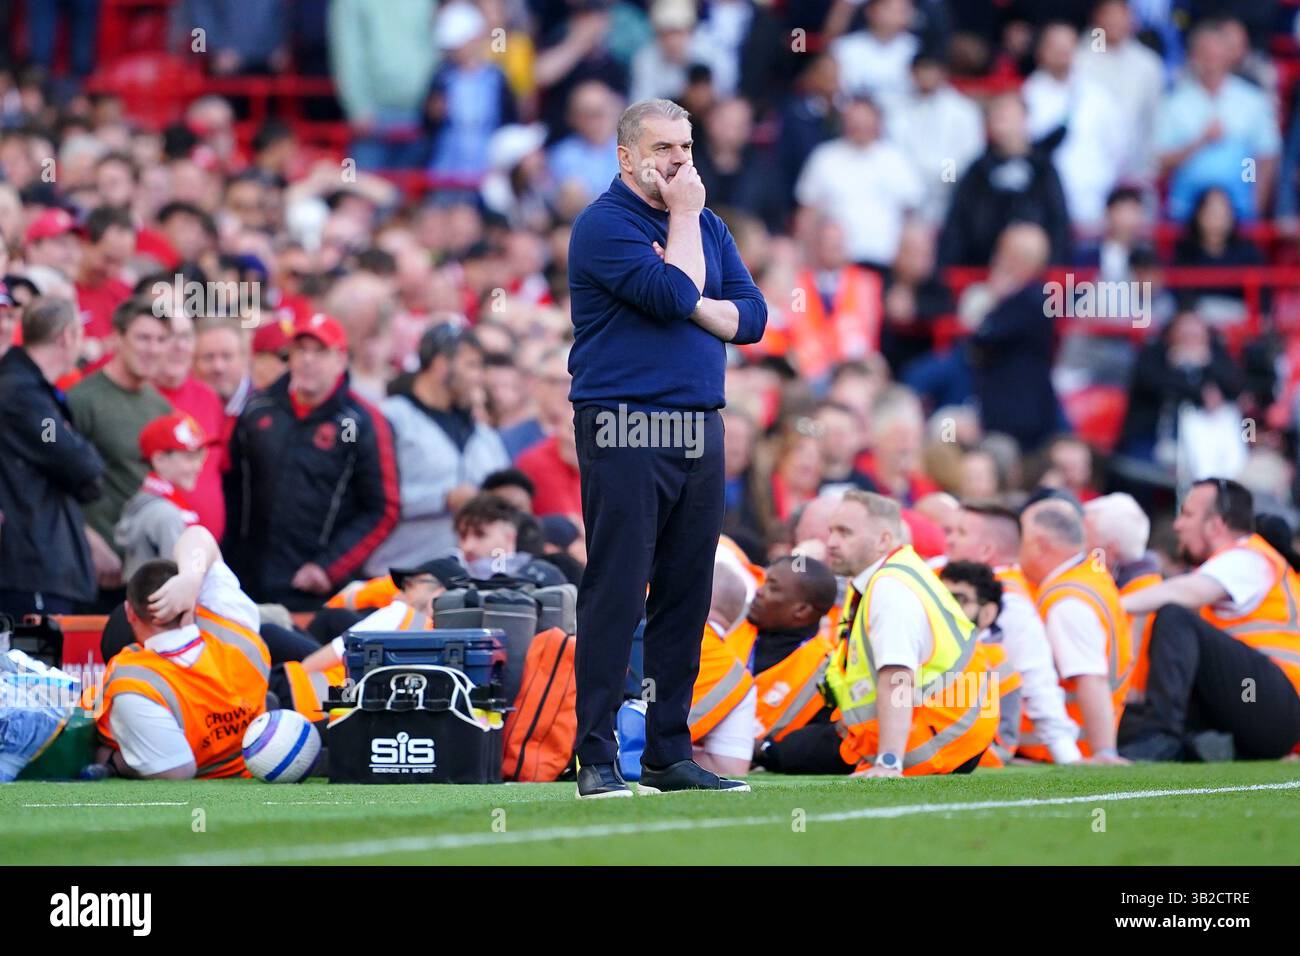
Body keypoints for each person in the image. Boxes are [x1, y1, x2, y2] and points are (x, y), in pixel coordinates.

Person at [566, 98, 766, 797]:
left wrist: (698, 306)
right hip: (624, 420)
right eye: (662, 148)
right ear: (626, 157)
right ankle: (592, 756)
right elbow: (675, 286)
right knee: (617, 588)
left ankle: (667, 752)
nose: (679, 161)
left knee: (687, 592)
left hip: (698, 422)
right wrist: (684, 241)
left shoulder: (707, 223)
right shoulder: (605, 224)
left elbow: (754, 318)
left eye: (686, 146)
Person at [224, 312, 399, 610]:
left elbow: (384, 509)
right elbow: (232, 488)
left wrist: (328, 568)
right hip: (246, 585)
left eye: (320, 352)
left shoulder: (363, 422)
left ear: (340, 361)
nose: (307, 360)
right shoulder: (257, 409)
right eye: (300, 350)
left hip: (315, 591)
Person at [1117, 479, 1300, 761]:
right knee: (1127, 725)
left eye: (1187, 514)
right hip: (1262, 708)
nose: (1177, 525)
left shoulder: (1247, 557)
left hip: (1279, 706)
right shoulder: (1242, 560)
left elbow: (1184, 592)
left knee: (1174, 614)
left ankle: (1161, 736)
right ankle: (1183, 742)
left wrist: (1112, 606)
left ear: (1215, 525)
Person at [819, 490, 997, 776]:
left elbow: (897, 678)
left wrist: (888, 762)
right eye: (831, 531)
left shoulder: (890, 588)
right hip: (947, 736)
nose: (831, 543)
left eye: (845, 532)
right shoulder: (895, 573)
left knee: (785, 751)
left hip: (932, 742)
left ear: (884, 540)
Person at [82, 525, 270, 780]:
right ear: (192, 599)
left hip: (201, 774)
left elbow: (176, 771)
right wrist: (191, 579)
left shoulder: (131, 681)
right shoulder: (233, 620)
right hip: (259, 754)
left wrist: (117, 762)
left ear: (129, 612)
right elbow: (198, 536)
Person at [364, 323, 509, 576]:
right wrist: (442, 498)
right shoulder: (391, 418)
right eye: (471, 365)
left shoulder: (480, 429)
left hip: (469, 578)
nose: (479, 376)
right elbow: (367, 499)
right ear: (442, 364)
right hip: (397, 574)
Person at [948, 501, 1081, 763]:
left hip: (983, 745)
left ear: (987, 550)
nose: (949, 540)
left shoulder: (1010, 602)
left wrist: (1065, 753)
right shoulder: (966, 581)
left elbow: (1036, 678)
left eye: (960, 533)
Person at [0, 296, 105, 616]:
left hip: (35, 561)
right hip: (29, 566)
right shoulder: (25, 394)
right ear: (67, 336)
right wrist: (78, 451)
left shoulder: (28, 389)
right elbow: (75, 460)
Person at [1019, 498, 1132, 763]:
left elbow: (1089, 676)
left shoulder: (1068, 600)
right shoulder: (1089, 579)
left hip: (1059, 750)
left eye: (1020, 539)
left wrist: (1103, 753)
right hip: (1067, 746)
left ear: (1040, 546)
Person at [67, 296, 172, 579]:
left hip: (143, 569)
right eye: (143, 338)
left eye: (161, 340)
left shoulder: (162, 407)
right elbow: (52, 476)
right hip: (89, 563)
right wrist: (87, 537)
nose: (152, 349)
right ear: (117, 338)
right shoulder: (80, 400)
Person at [302, 557, 468, 678]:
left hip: (316, 699)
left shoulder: (404, 615)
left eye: (409, 585)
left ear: (440, 592)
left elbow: (310, 667)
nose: (399, 593)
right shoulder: (465, 643)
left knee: (330, 617)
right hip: (357, 711)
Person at [939, 560, 1022, 766]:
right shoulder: (924, 650)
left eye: (959, 600)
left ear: (987, 613)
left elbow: (1003, 746)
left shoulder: (998, 666)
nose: (945, 608)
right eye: (940, 598)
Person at [115, 412, 212, 579]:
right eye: (190, 458)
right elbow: (183, 577)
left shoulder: (155, 501)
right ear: (159, 460)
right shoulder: (165, 514)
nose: (198, 466)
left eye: (200, 457)